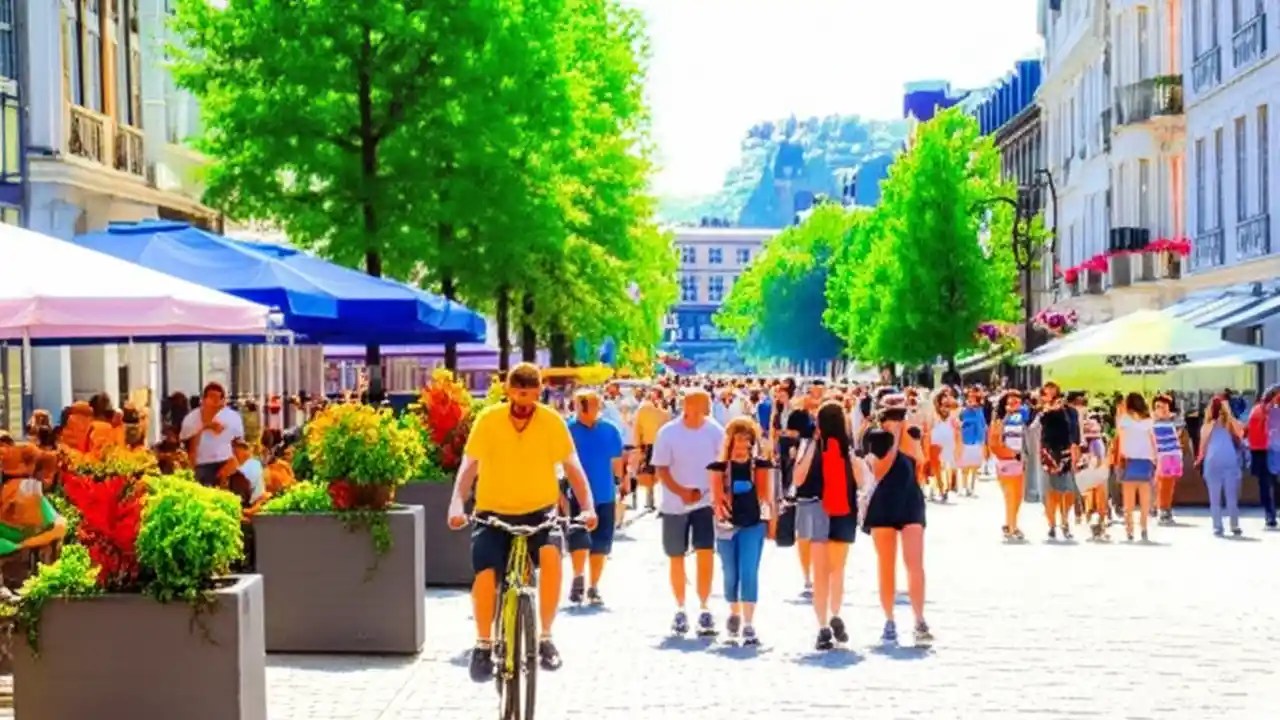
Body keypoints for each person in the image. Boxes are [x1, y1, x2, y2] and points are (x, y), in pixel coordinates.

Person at [446, 363, 597, 681]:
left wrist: (588, 507)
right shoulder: (489, 421)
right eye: (518, 396)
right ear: (508, 392)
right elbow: (469, 466)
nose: (522, 406)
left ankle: (546, 638)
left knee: (553, 558)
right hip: (493, 514)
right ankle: (483, 644)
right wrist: (457, 504)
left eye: (529, 398)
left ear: (539, 393)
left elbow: (573, 467)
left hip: (539, 514)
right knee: (486, 575)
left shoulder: (551, 422)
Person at [652, 387, 724, 636]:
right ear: (689, 406)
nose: (707, 407)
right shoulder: (668, 433)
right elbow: (661, 469)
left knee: (705, 553)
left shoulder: (715, 431)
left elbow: (721, 466)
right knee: (676, 556)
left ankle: (704, 607)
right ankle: (680, 608)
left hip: (705, 504)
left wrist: (718, 494)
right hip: (674, 506)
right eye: (703, 403)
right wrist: (681, 491)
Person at [860, 399, 931, 646]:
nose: (897, 421)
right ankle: (889, 619)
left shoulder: (910, 435)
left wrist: (908, 436)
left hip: (910, 500)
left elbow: (921, 460)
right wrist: (893, 443)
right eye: (892, 416)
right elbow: (879, 470)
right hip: (883, 503)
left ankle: (919, 619)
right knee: (886, 564)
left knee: (915, 563)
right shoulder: (875, 437)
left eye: (900, 416)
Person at [791, 401, 859, 650]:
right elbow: (861, 481)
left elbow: (798, 479)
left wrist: (810, 444)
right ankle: (835, 614)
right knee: (837, 570)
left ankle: (822, 627)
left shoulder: (810, 446)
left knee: (820, 573)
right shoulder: (847, 449)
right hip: (844, 511)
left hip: (817, 510)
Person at [707, 417, 772, 645]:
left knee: (749, 572)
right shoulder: (718, 468)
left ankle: (749, 623)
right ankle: (734, 613)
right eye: (738, 443)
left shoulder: (761, 466)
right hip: (726, 525)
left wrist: (772, 525)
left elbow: (766, 497)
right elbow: (716, 498)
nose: (742, 449)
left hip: (753, 524)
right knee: (730, 573)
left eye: (747, 443)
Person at [564, 390, 624, 607]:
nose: (585, 409)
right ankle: (579, 576)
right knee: (578, 537)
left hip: (604, 493)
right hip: (576, 494)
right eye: (581, 405)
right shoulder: (567, 430)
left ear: (598, 406)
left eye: (589, 405)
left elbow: (616, 462)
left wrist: (619, 486)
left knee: (601, 543)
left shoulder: (610, 430)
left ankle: (593, 586)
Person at [1196, 395, 1245, 537]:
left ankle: (1219, 526)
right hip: (1226, 463)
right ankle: (1232, 525)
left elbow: (1202, 447)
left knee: (1217, 498)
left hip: (1215, 464)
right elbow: (1241, 433)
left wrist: (1199, 460)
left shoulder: (1216, 425)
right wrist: (1228, 415)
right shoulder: (1220, 425)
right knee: (1229, 497)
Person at [180, 383, 245, 488]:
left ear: (223, 401)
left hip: (226, 463)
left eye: (219, 398)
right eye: (211, 397)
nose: (215, 402)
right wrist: (205, 427)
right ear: (203, 400)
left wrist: (233, 464)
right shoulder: (190, 419)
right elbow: (189, 448)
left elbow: (240, 446)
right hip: (200, 466)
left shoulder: (233, 418)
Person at [1037, 386, 1079, 540]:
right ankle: (1052, 524)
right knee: (1051, 492)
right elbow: (1039, 423)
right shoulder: (1041, 412)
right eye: (1047, 394)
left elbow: (1075, 434)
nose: (1051, 397)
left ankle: (1065, 521)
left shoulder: (1069, 411)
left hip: (1065, 453)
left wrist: (1075, 453)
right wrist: (1048, 409)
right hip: (1048, 453)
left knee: (1068, 491)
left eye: (1054, 393)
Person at [1115, 393, 1157, 541]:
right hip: (1145, 460)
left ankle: (1129, 529)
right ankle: (1144, 527)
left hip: (1129, 459)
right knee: (1145, 498)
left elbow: (1120, 440)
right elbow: (1153, 441)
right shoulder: (1148, 420)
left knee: (1128, 500)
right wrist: (1155, 459)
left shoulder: (1124, 420)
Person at [989, 391, 1028, 541]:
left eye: (1017, 403)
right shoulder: (999, 421)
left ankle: (1011, 524)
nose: (1014, 406)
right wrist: (1011, 454)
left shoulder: (1021, 420)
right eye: (1011, 403)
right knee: (1010, 496)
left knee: (1018, 497)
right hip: (1006, 462)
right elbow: (994, 444)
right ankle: (1011, 528)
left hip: (1019, 462)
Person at [1245, 388, 1278, 528]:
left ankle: (1270, 515)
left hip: (1259, 451)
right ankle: (1271, 514)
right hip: (1269, 450)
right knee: (1271, 484)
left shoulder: (1255, 410)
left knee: (1266, 485)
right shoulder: (1271, 411)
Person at [1152, 394, 1186, 525]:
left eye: (1164, 406)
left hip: (1174, 454)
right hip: (1162, 455)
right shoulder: (1152, 421)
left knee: (1170, 484)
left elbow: (1179, 431)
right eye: (1158, 407)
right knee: (1162, 484)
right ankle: (1162, 510)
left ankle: (1167, 508)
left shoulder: (1173, 420)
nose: (1162, 409)